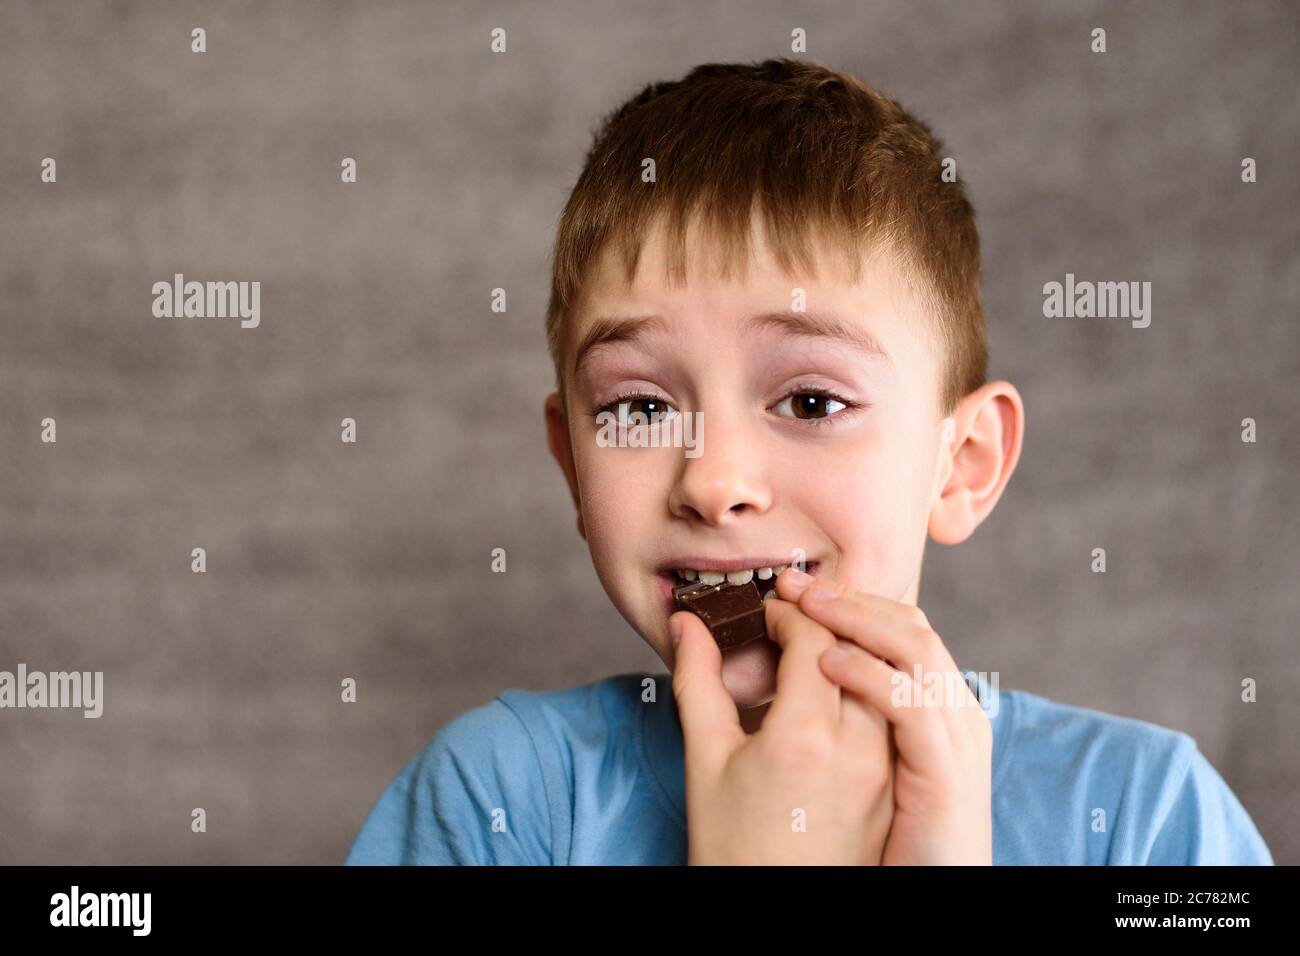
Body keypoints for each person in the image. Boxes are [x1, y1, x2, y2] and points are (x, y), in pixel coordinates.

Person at [344, 59, 1272, 865]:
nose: (712, 483)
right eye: (639, 408)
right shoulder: (493, 805)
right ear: (572, 467)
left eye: (812, 401)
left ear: (964, 465)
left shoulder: (1152, 825)